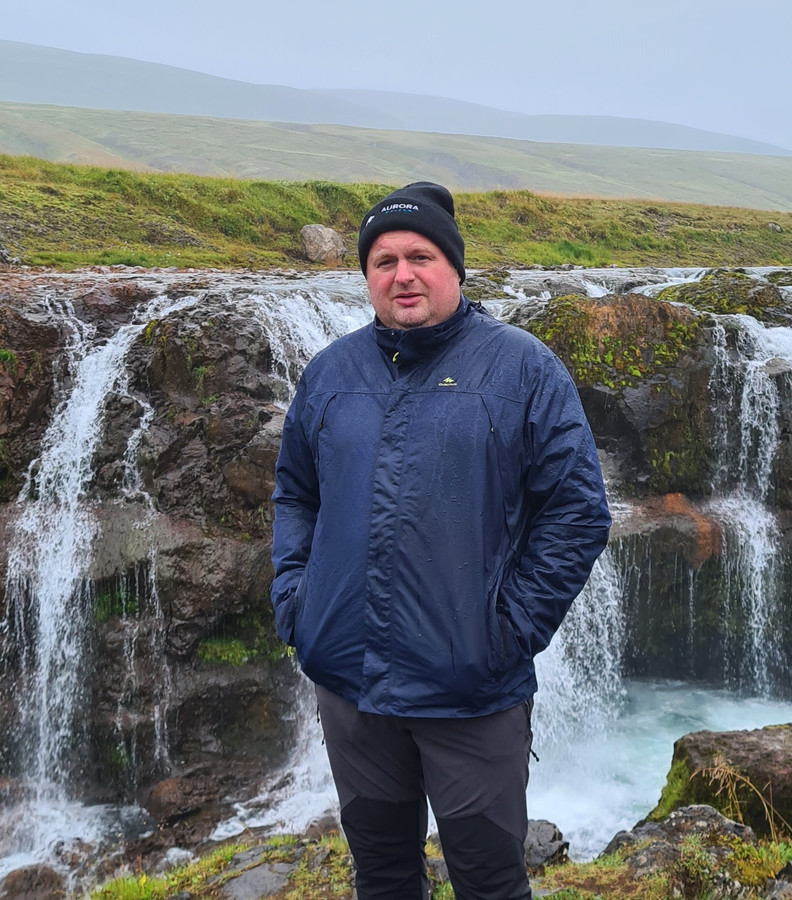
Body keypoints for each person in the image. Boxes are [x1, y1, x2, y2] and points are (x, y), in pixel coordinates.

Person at [270, 182, 611, 900]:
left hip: (471, 690)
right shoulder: (331, 373)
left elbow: (576, 511)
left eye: (420, 256)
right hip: (351, 682)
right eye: (384, 260)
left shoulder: (522, 368)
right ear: (365, 275)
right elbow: (296, 493)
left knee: (489, 881)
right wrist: (296, 601)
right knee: (383, 877)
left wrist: (508, 629)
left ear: (454, 267)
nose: (402, 274)